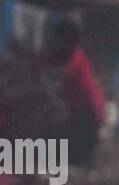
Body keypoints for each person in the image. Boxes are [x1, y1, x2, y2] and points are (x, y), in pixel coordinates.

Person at [45, 19, 106, 167]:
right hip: (79, 114)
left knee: (74, 157)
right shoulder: (66, 57)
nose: (54, 43)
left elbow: (59, 80)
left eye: (58, 39)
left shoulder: (76, 62)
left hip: (87, 115)